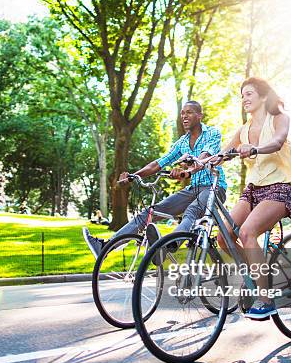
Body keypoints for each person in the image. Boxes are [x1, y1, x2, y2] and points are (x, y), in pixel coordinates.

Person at [83, 100, 227, 258]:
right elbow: (158, 164)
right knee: (149, 213)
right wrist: (134, 176)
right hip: (193, 189)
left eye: (189, 112)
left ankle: (166, 245)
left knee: (191, 211)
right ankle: (106, 247)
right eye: (182, 113)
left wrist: (187, 170)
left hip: (214, 187)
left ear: (200, 115)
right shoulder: (182, 142)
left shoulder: (212, 133)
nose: (184, 116)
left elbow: (203, 157)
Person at [207, 77, 291, 321]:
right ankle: (255, 278)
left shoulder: (278, 117)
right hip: (254, 190)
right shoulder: (243, 129)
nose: (244, 99)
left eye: (249, 94)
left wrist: (255, 149)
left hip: (278, 189)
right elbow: (222, 154)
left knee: (247, 233)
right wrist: (199, 162)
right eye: (242, 95)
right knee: (223, 237)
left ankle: (266, 300)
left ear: (263, 96)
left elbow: (278, 141)